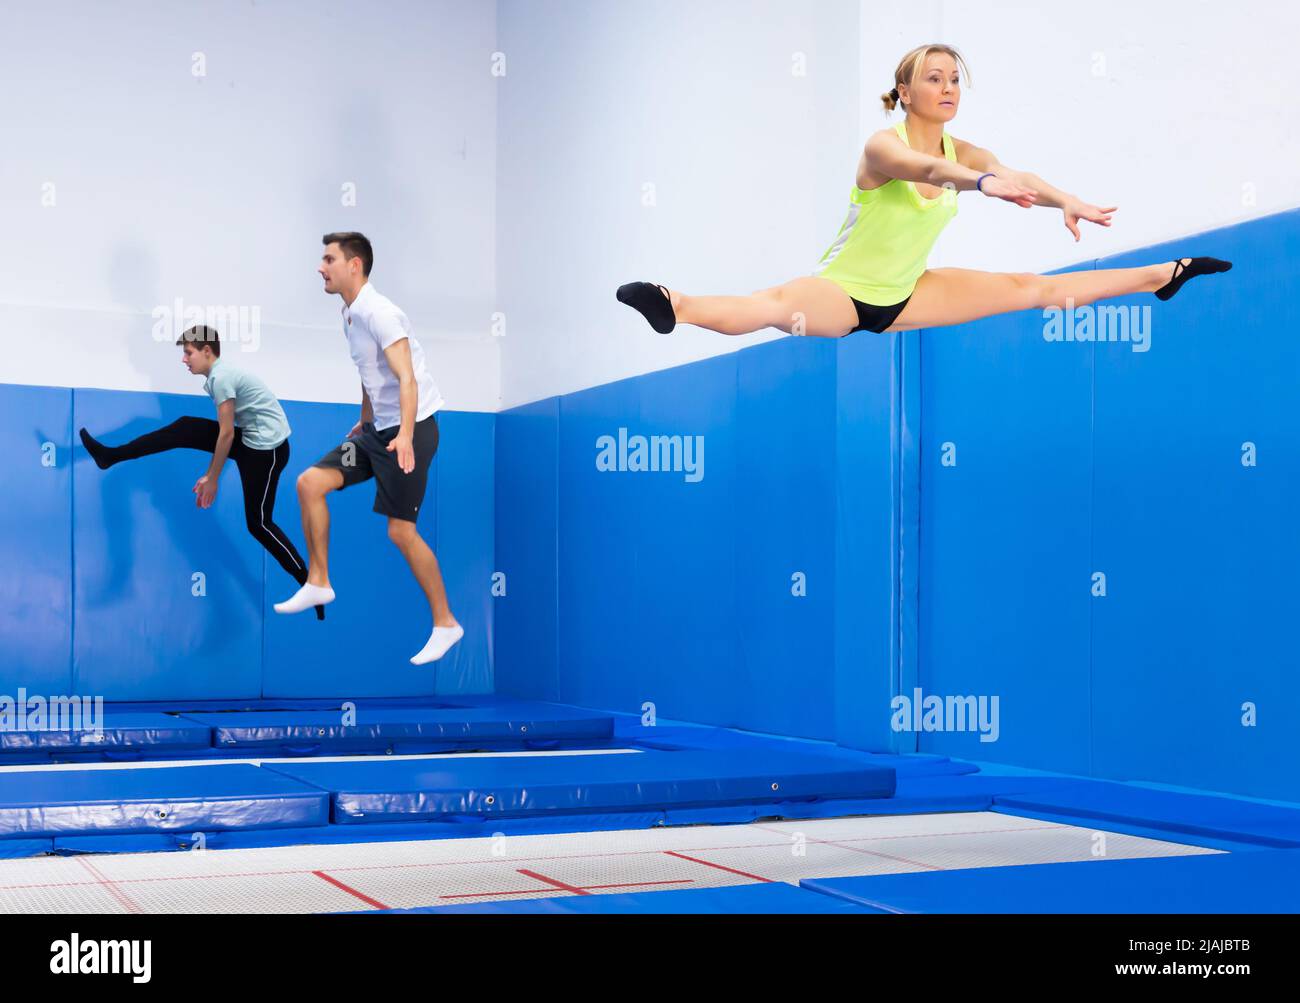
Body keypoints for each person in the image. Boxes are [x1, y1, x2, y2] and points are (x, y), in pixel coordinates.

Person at [617, 43, 1230, 339]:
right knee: (778, 303)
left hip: (910, 294)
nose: (948, 87)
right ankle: (677, 302)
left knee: (1030, 288)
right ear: (904, 92)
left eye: (955, 79)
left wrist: (1062, 199)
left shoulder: (968, 152)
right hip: (844, 292)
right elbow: (933, 172)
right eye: (933, 78)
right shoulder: (883, 148)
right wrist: (983, 182)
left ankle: (1160, 277)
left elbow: (1018, 179)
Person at [273, 232, 463, 665]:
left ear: (353, 264)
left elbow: (407, 378)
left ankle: (446, 623)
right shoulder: (350, 314)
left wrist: (407, 437)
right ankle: (319, 580)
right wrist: (366, 417)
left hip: (410, 431)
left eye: (328, 259)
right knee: (309, 483)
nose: (320, 268)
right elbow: (368, 371)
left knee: (400, 531)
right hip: (378, 431)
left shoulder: (381, 313)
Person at [79, 326, 323, 619]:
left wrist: (212, 478)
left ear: (207, 351)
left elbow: (226, 435)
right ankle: (111, 456)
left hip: (266, 453)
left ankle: (309, 581)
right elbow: (228, 434)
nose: (184, 359)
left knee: (259, 524)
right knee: (184, 427)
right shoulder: (217, 377)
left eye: (189, 352)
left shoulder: (221, 378)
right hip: (250, 441)